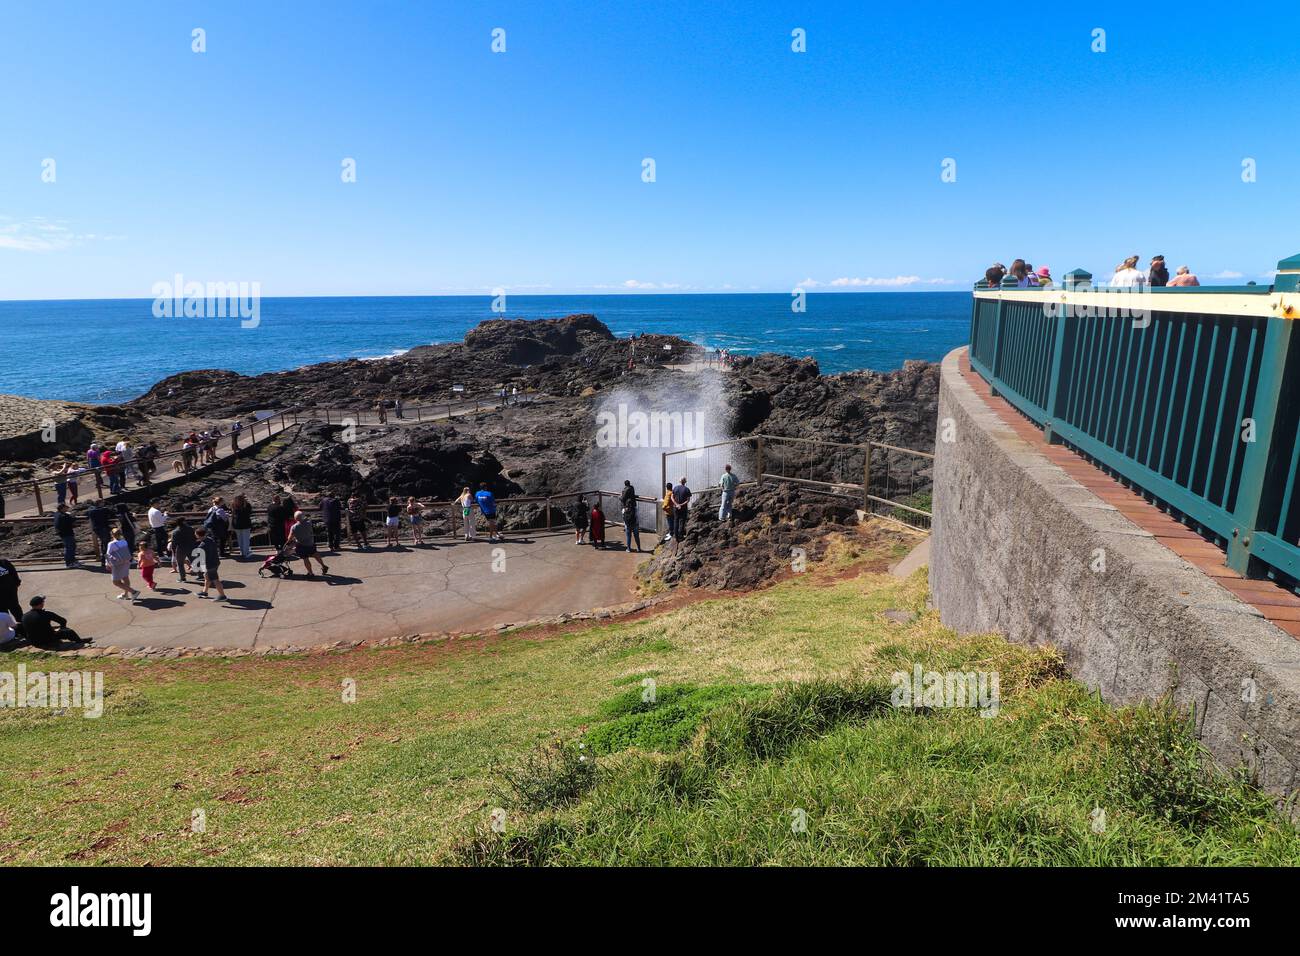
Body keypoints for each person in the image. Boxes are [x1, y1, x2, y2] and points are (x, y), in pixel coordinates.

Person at [21, 596, 87, 648]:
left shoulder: (24, 616)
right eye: (43, 602)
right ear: (41, 605)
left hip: (34, 642)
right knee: (69, 632)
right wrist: (62, 628)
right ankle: (80, 642)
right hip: (48, 639)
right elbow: (63, 621)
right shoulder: (47, 614)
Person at [289, 511, 330, 578]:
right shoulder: (308, 523)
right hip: (310, 543)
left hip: (301, 545)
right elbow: (306, 520)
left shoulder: (294, 527)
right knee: (315, 554)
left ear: (295, 518)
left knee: (305, 559)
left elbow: (289, 538)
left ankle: (310, 573)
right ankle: (323, 565)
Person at [192, 527, 227, 601]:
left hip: (210, 565)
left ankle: (222, 595)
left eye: (196, 535)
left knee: (215, 580)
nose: (195, 536)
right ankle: (204, 592)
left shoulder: (202, 546)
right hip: (215, 562)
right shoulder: (210, 539)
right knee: (207, 577)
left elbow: (199, 559)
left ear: (199, 536)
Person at [106, 528, 140, 602]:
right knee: (125, 577)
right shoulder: (124, 541)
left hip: (117, 564)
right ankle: (125, 594)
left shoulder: (111, 544)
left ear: (112, 535)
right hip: (126, 562)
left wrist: (107, 564)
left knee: (116, 582)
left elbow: (108, 555)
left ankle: (134, 592)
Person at [86, 502, 113, 569]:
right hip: (104, 528)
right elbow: (112, 513)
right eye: (102, 503)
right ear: (100, 504)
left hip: (96, 529)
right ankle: (106, 561)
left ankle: (104, 561)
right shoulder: (104, 510)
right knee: (106, 545)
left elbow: (87, 515)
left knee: (103, 544)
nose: (103, 504)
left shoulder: (91, 511)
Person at [169, 517, 196, 583]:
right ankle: (201, 575)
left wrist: (174, 551)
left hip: (180, 549)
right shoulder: (190, 529)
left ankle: (182, 578)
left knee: (180, 564)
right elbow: (195, 537)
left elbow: (174, 543)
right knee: (194, 561)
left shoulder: (175, 532)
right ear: (183, 522)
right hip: (191, 547)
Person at [619, 481, 641, 552]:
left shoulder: (624, 510)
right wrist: (637, 523)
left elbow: (623, 517)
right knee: (636, 536)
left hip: (628, 524)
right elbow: (637, 516)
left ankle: (628, 548)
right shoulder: (635, 509)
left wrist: (620, 497)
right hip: (635, 524)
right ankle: (638, 548)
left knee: (628, 536)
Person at [0, 556, 22, 625]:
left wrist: (16, 583)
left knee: (16, 610)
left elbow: (13, 572)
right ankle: (9, 629)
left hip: (11, 593)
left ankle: (22, 627)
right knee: (4, 614)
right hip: (0, 598)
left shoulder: (5, 562)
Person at [231, 494, 253, 558]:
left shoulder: (234, 505)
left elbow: (233, 514)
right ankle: (245, 553)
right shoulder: (247, 505)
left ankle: (242, 551)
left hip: (237, 524)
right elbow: (249, 512)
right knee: (246, 539)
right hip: (245, 524)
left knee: (240, 539)